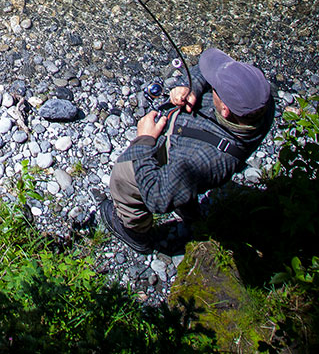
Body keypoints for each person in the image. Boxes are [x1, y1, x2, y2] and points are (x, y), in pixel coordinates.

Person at [99, 47, 275, 254]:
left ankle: (135, 233)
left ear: (225, 110)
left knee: (123, 177)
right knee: (183, 182)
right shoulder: (258, 100)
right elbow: (206, 71)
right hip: (185, 162)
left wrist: (143, 140)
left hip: (176, 160)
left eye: (215, 90)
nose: (213, 86)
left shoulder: (199, 159)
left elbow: (157, 197)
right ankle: (186, 203)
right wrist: (191, 88)